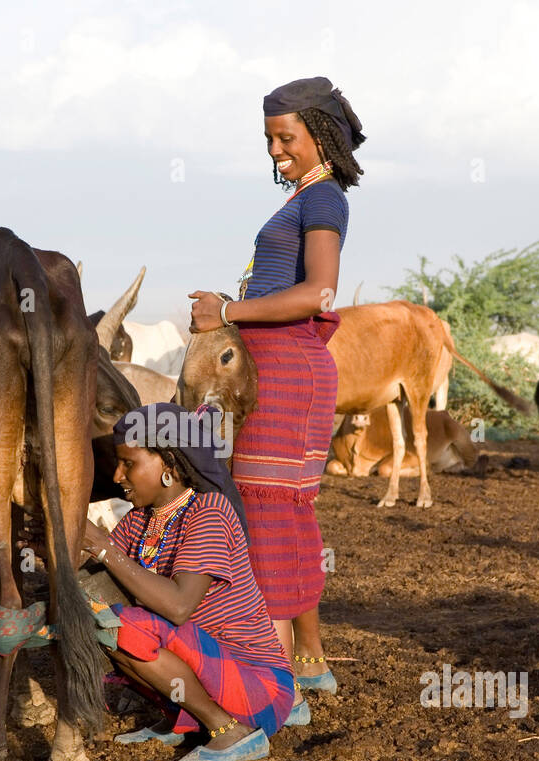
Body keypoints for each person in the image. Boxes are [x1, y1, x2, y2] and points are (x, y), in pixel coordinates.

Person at [186, 76, 365, 724]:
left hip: (288, 373)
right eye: (268, 139)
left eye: (285, 137)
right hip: (283, 367)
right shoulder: (303, 198)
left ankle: (276, 689)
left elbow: (320, 292)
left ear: (319, 134)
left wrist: (227, 309)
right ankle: (295, 672)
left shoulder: (324, 201)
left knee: (264, 521)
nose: (274, 150)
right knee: (281, 519)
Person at [79, 403, 295, 761]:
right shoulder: (139, 521)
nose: (117, 476)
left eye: (128, 463)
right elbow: (97, 582)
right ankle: (182, 716)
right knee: (94, 613)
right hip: (206, 666)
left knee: (122, 626)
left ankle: (228, 729)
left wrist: (101, 545)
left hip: (257, 685)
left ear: (168, 465)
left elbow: (179, 607)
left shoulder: (209, 513)